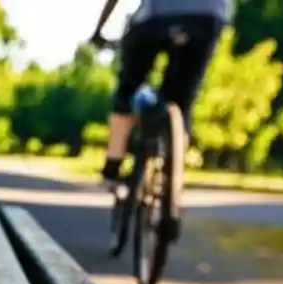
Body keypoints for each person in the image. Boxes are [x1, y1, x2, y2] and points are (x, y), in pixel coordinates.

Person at [90, 0, 230, 184]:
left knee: (127, 91)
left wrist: (99, 30)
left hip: (154, 18)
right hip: (206, 18)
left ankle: (112, 166)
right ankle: (173, 183)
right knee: (182, 100)